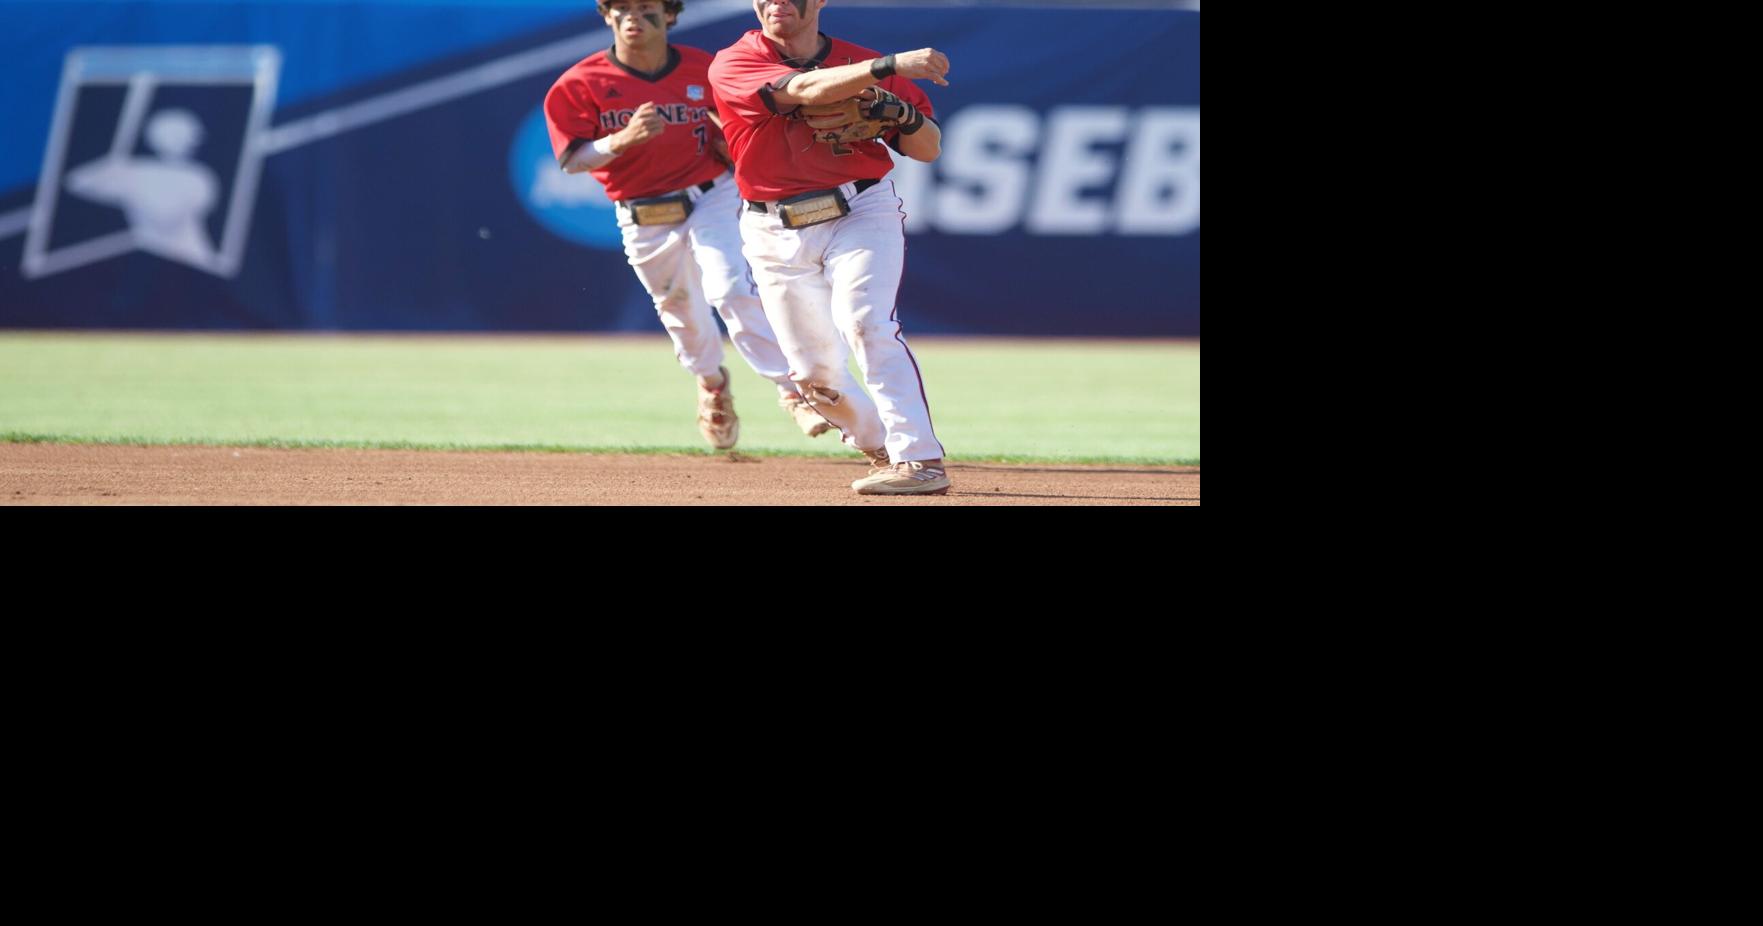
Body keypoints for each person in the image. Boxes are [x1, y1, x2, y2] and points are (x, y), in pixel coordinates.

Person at [544, 0, 830, 450]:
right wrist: (620, 140)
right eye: (620, 7)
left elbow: (747, 126)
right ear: (606, 16)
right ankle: (712, 383)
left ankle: (793, 390)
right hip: (643, 209)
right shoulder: (580, 83)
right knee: (681, 311)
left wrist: (734, 146)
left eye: (646, 7)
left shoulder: (706, 69)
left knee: (732, 287)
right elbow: (571, 160)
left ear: (671, 14)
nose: (632, 16)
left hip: (711, 193)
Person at [709, 0, 952, 495]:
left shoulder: (858, 59)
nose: (777, 3)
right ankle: (879, 446)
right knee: (813, 375)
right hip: (773, 227)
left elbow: (928, 148)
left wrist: (901, 113)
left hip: (860, 210)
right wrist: (885, 68)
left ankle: (920, 459)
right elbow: (800, 90)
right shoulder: (735, 61)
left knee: (867, 324)